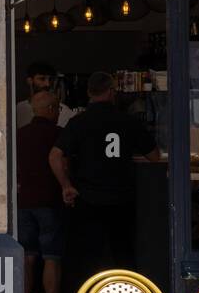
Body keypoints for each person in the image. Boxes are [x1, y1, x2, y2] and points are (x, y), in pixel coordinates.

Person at [49, 71, 160, 279]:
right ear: (111, 92)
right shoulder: (127, 121)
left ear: (89, 92)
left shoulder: (78, 122)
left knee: (88, 257)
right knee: (123, 254)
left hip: (87, 199)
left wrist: (66, 185)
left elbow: (55, 156)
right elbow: (155, 156)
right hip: (121, 198)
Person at [17, 91, 65, 293]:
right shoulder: (58, 135)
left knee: (27, 255)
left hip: (23, 201)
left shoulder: (20, 135)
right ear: (51, 109)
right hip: (49, 201)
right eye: (57, 109)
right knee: (51, 256)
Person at [16, 61, 75, 129]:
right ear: (30, 80)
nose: (48, 84)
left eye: (50, 79)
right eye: (42, 79)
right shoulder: (19, 109)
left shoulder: (64, 111)